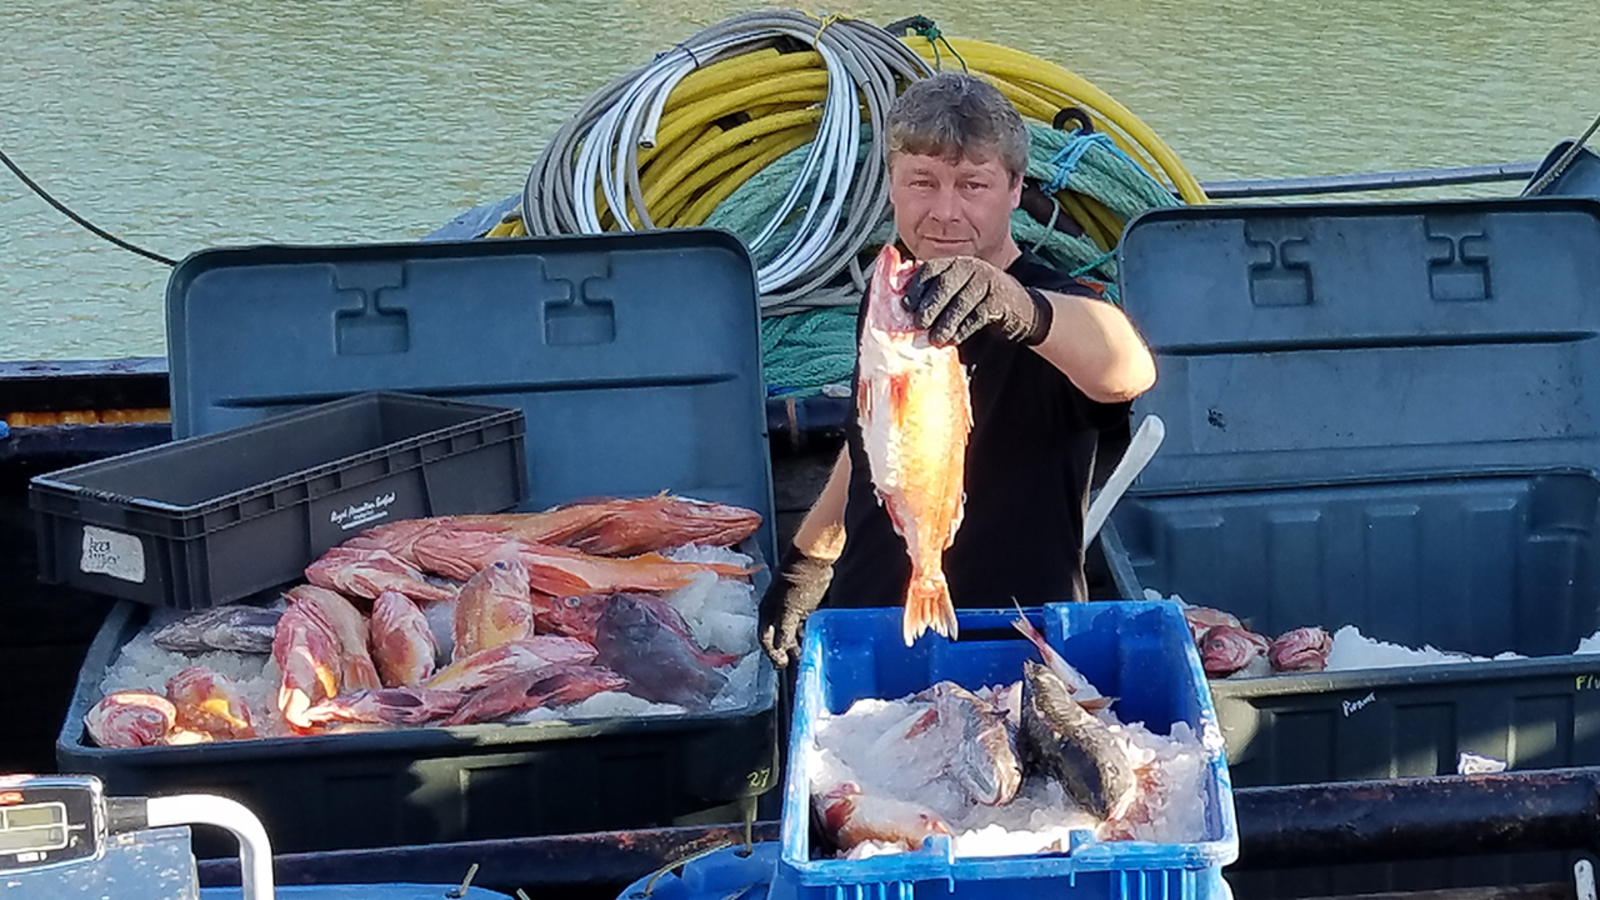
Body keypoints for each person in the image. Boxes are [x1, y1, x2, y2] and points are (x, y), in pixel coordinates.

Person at [757, 71, 1158, 667]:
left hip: (1006, 638)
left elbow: (1126, 369)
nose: (944, 212)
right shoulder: (892, 289)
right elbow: (871, 436)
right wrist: (810, 558)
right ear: (891, 184)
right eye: (922, 181)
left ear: (1016, 188)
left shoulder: (1054, 307)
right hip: (868, 622)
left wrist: (1019, 307)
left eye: (973, 185)